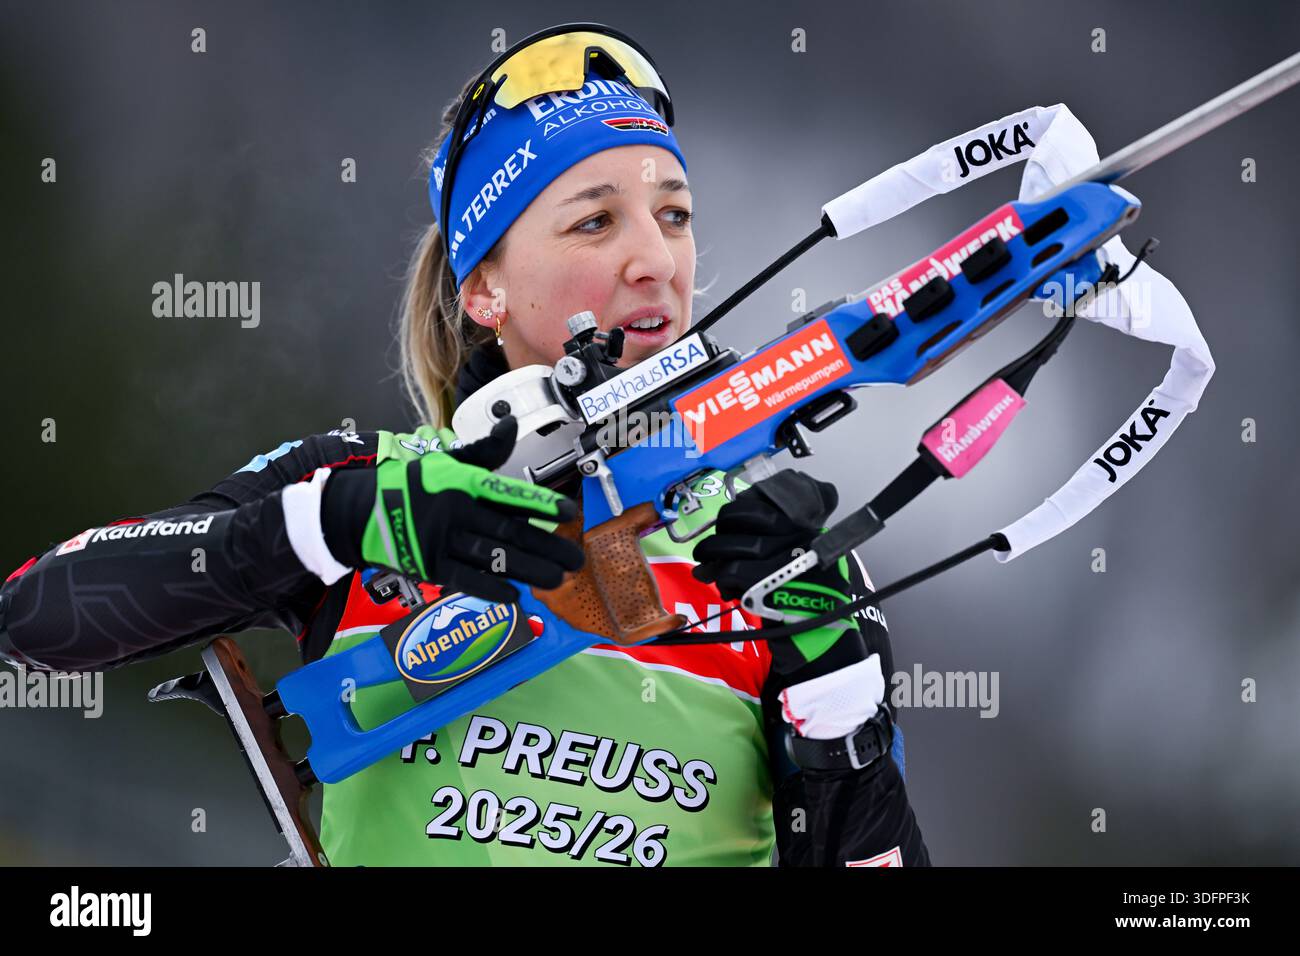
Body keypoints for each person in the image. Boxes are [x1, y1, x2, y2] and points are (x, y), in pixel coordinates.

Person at [0, 23, 928, 867]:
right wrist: (334, 521)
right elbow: (38, 615)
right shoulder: (372, 490)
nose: (657, 260)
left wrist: (838, 711)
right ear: (484, 286)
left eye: (673, 215)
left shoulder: (774, 562)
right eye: (595, 220)